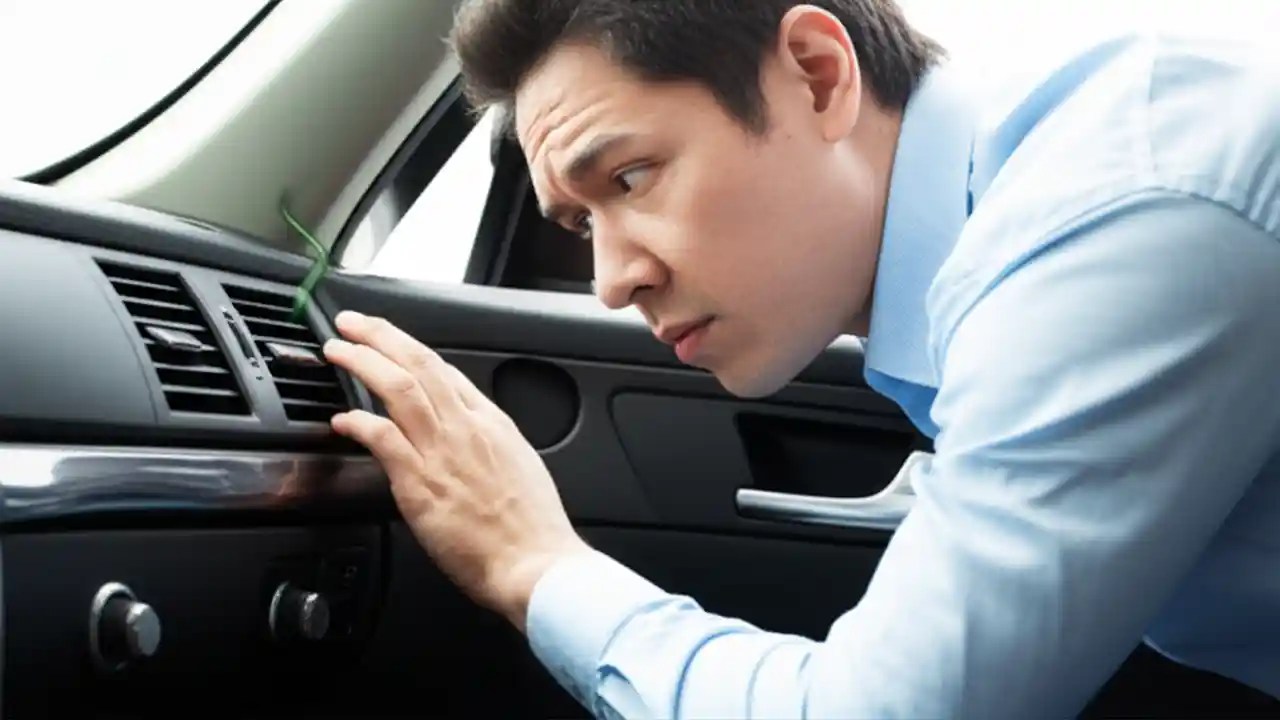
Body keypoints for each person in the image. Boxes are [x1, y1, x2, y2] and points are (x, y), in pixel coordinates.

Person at [321, 0, 1280, 717]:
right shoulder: (1035, 212)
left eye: (631, 176)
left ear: (819, 75)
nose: (610, 279)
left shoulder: (1107, 222)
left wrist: (536, 565)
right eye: (580, 222)